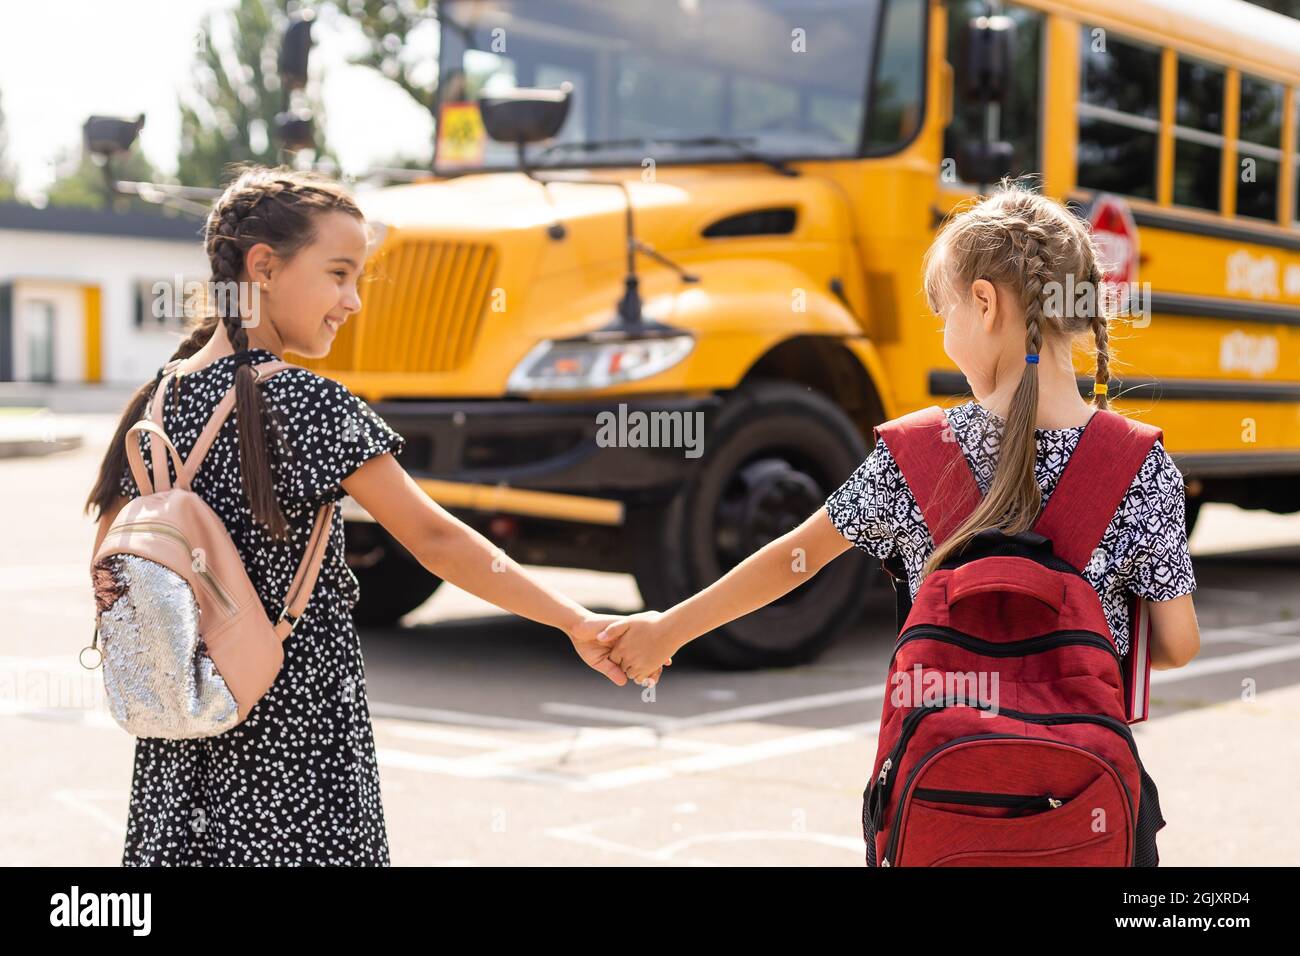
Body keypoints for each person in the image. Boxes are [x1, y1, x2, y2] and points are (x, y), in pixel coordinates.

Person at [84, 164, 656, 866]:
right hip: (291, 733)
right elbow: (437, 538)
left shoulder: (159, 396)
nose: (353, 300)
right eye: (338, 273)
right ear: (262, 266)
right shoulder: (307, 402)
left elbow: (118, 556)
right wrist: (574, 619)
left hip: (188, 720)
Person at [598, 178, 1201, 687]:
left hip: (939, 803)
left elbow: (793, 562)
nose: (946, 332)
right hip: (1077, 810)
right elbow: (1177, 644)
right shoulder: (1140, 466)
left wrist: (665, 632)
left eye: (946, 314)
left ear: (985, 304)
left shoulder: (916, 456)